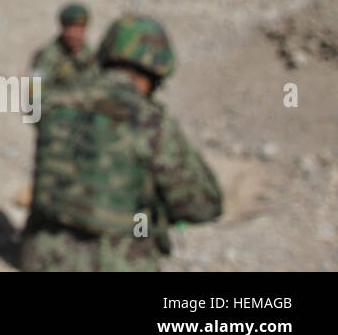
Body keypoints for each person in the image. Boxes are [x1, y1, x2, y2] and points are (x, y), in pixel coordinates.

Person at [20, 15, 222, 271]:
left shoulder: (53, 103)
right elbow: (204, 204)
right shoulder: (150, 123)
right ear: (156, 72)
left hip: (44, 259)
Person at [30, 2, 95, 90]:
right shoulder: (47, 56)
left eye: (79, 29)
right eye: (70, 29)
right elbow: (34, 94)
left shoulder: (89, 53)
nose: (74, 35)